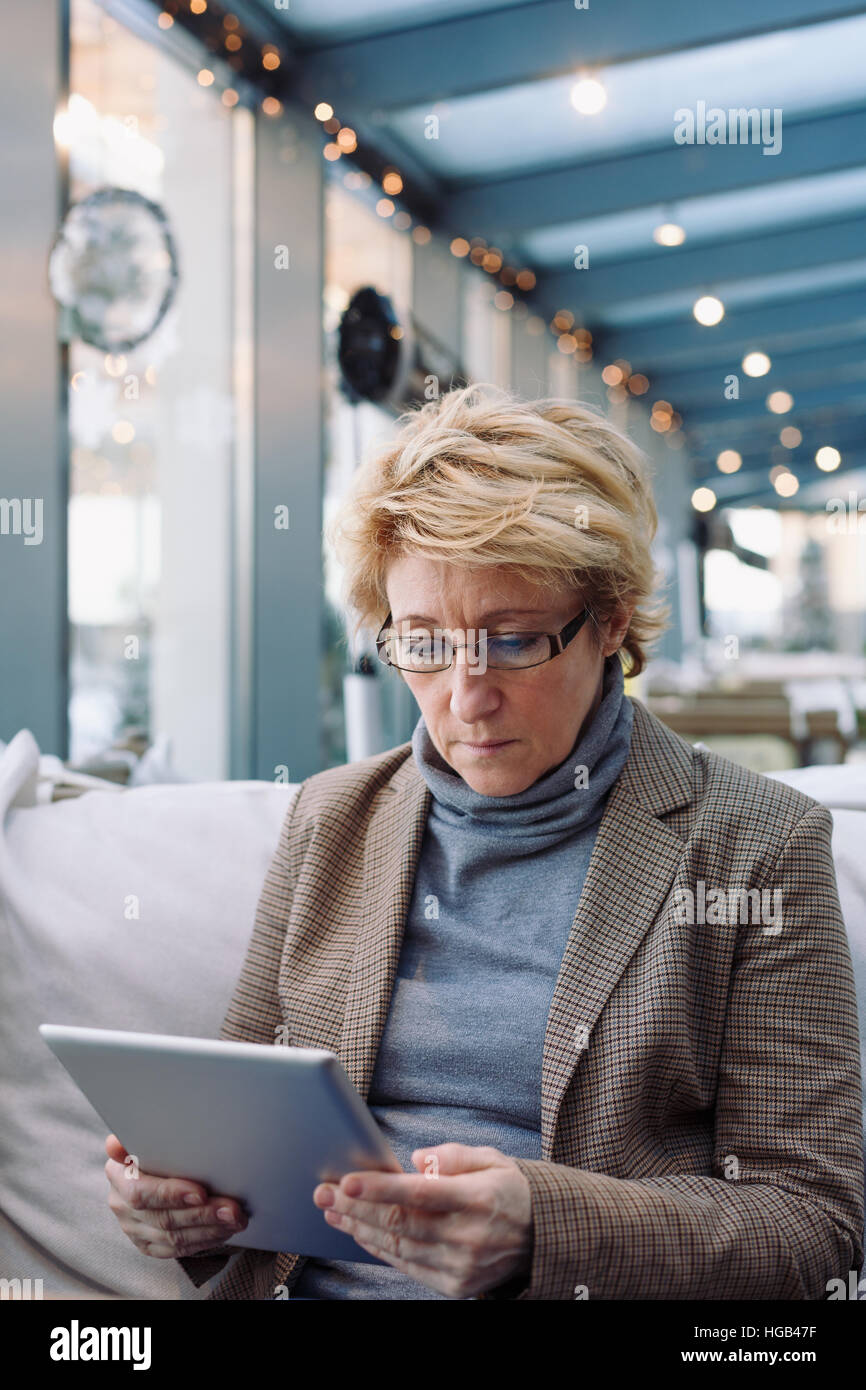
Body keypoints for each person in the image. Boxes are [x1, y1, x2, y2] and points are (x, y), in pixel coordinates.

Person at [105, 381, 864, 1300]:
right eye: (422, 642)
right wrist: (185, 1208)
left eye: (509, 642)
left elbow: (812, 1219)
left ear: (611, 618)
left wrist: (547, 1230)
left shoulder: (756, 843)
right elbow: (239, 1141)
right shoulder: (331, 818)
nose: (466, 697)